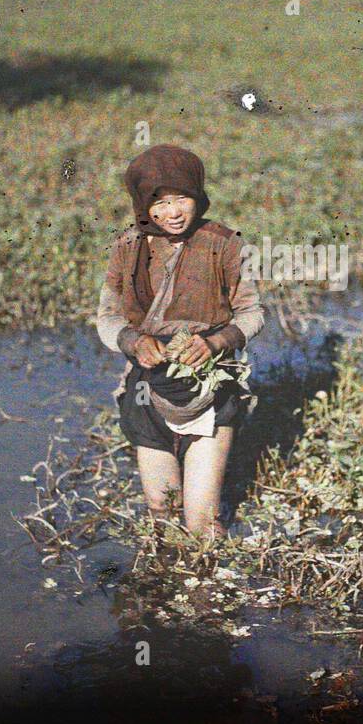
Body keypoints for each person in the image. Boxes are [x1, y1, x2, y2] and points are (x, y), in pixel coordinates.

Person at [96, 145, 263, 539]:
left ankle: (210, 592)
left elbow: (253, 314)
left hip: (210, 387)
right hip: (148, 386)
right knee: (161, 513)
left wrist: (217, 343)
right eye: (160, 202)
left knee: (202, 523)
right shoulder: (126, 247)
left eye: (182, 199)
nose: (172, 213)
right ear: (142, 204)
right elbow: (107, 317)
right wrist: (132, 342)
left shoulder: (225, 243)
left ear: (199, 197)